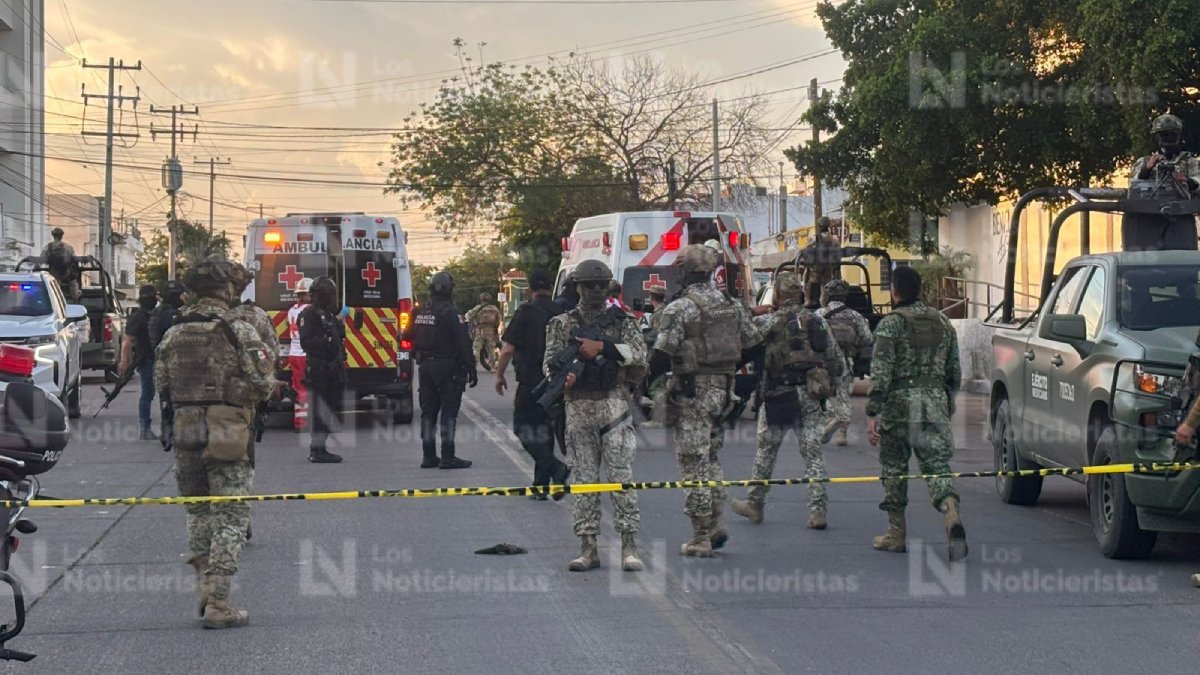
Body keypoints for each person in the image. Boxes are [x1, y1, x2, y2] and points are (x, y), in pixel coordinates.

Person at [155, 257, 276, 629]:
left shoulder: (174, 332)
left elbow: (162, 383)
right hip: (225, 427)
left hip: (185, 427)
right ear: (227, 291)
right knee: (231, 515)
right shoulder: (237, 329)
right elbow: (265, 381)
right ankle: (219, 602)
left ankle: (204, 587)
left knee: (197, 511)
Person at [648, 245, 761, 557]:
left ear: (685, 272)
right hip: (724, 391)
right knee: (711, 458)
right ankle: (715, 523)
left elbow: (661, 354)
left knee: (692, 462)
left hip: (693, 392)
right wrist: (728, 368)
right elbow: (754, 344)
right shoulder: (732, 305)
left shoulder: (680, 308)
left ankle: (700, 536)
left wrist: (642, 385)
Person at [544, 259, 646, 572]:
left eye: (601, 285)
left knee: (620, 479)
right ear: (577, 287)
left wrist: (602, 347)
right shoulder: (561, 323)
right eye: (590, 285)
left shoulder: (623, 320)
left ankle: (629, 547)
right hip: (578, 408)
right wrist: (562, 378)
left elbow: (640, 355)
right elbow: (549, 364)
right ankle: (588, 549)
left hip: (613, 405)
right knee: (585, 482)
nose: (596, 290)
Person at [866, 265, 966, 561]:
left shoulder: (891, 325)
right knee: (938, 467)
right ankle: (951, 517)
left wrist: (873, 411)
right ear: (920, 290)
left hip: (898, 406)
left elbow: (881, 372)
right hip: (933, 404)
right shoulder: (944, 322)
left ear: (894, 291)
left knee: (895, 470)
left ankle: (896, 535)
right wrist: (946, 402)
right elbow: (955, 372)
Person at [731, 272, 843, 529]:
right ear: (800, 295)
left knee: (766, 452)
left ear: (778, 296)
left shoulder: (768, 322)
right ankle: (818, 511)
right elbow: (835, 358)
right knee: (813, 453)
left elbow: (744, 344)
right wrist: (834, 387)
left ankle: (755, 504)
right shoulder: (818, 321)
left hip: (779, 395)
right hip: (811, 393)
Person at [494, 268, 570, 500]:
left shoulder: (526, 312)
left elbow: (507, 349)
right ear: (550, 288)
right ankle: (541, 486)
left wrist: (499, 374)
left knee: (523, 428)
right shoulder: (561, 311)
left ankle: (556, 467)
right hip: (556, 383)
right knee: (544, 430)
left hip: (532, 382)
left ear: (530, 290)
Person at [407, 272, 476, 469]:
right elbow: (463, 344)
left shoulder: (418, 312)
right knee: (448, 412)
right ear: (449, 289)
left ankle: (428, 456)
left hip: (425, 368)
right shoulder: (451, 313)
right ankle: (448, 456)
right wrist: (471, 368)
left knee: (428, 413)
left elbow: (405, 336)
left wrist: (416, 352)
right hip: (447, 369)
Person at [818, 279, 874, 446]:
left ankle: (830, 417)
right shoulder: (855, 316)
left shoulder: (819, 314)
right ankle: (842, 433)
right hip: (845, 361)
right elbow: (868, 339)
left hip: (823, 361)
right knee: (844, 396)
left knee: (821, 394)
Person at [298, 277, 346, 464]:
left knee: (331, 407)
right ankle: (317, 450)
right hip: (319, 368)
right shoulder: (309, 314)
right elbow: (306, 342)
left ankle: (321, 446)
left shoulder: (327, 314)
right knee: (320, 410)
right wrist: (324, 341)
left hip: (333, 369)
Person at [150, 280, 190, 448]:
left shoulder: (157, 312)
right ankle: (174, 431)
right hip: (176, 361)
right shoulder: (173, 314)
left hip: (161, 361)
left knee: (165, 398)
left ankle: (168, 431)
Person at [120, 285, 160, 441]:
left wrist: (125, 361)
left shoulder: (141, 316)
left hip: (147, 358)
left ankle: (147, 428)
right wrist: (125, 361)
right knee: (150, 394)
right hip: (149, 359)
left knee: (148, 394)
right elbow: (127, 342)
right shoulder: (152, 315)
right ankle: (147, 429)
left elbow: (127, 342)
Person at [1131, 114, 1200, 191]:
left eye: (1174, 134)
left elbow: (1198, 180)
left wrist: (1187, 181)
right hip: (1153, 202)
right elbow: (1134, 184)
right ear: (1157, 137)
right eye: (1164, 134)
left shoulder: (1191, 161)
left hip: (1184, 202)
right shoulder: (1144, 162)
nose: (1169, 137)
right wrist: (1147, 169)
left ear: (1179, 135)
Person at [287, 278, 314, 432]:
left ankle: (298, 421)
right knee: (306, 390)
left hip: (293, 353)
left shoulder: (292, 310)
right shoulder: (309, 310)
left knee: (298, 388)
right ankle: (303, 423)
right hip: (304, 354)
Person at [801, 217, 842, 306]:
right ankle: (824, 302)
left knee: (805, 278)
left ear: (819, 226)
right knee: (825, 286)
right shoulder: (834, 239)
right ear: (828, 226)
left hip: (815, 271)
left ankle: (807, 299)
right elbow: (838, 255)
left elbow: (806, 251)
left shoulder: (814, 238)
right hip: (828, 270)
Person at [466, 292, 502, 372]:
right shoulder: (494, 309)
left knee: (476, 349)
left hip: (479, 331)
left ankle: (473, 367)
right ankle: (493, 367)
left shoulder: (478, 308)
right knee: (491, 350)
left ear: (481, 299)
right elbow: (498, 320)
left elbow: (468, 316)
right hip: (491, 332)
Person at [42, 227, 80, 302]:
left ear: (52, 235)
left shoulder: (48, 247)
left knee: (53, 291)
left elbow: (42, 259)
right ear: (62, 236)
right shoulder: (68, 247)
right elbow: (74, 260)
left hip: (53, 273)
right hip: (67, 274)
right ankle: (75, 295)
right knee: (74, 282)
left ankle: (55, 299)